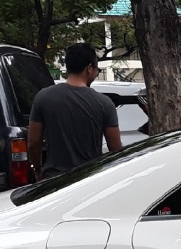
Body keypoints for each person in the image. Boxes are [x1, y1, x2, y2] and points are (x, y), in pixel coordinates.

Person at [27, 43, 121, 179]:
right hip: (90, 179)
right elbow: (115, 149)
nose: (96, 73)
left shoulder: (43, 97)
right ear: (89, 68)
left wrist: (37, 169)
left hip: (53, 180)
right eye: (97, 69)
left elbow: (33, 143)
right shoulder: (104, 103)